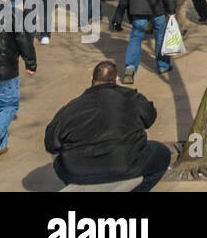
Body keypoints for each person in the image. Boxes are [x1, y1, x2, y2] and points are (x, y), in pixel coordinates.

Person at [44, 60, 171, 191]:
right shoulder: (130, 97)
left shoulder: (71, 107)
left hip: (78, 171)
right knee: (162, 153)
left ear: (92, 79)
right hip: (125, 164)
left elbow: (51, 144)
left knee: (58, 162)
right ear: (116, 79)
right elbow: (149, 117)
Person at [0, 0, 36, 160]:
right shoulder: (13, 14)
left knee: (0, 107)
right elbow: (24, 41)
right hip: (6, 71)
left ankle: (1, 145)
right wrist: (31, 63)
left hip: (5, 69)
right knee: (9, 105)